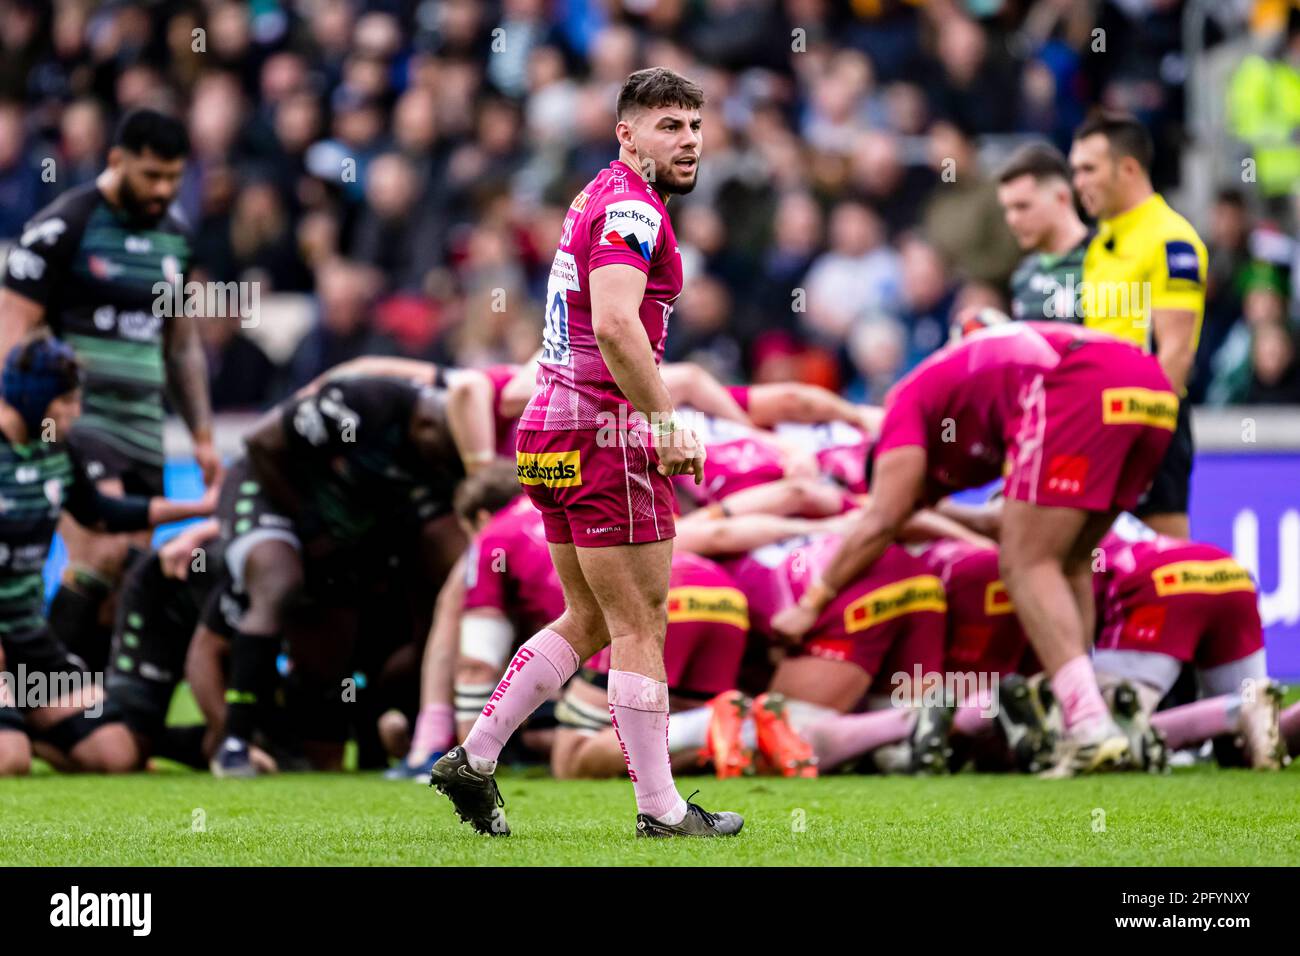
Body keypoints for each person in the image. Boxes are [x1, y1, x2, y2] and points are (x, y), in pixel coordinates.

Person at [429, 68, 744, 839]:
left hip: (546, 430)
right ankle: (663, 810)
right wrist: (664, 421)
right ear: (626, 134)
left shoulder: (596, 194)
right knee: (642, 621)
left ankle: (474, 758)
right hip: (603, 431)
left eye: (695, 126)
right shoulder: (634, 210)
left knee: (592, 619)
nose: (689, 141)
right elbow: (612, 323)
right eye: (669, 126)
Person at [770, 321, 1179, 777]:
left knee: (1026, 564)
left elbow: (884, 516)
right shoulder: (955, 423)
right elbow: (987, 521)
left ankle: (1087, 723)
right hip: (1152, 391)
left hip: (1078, 382)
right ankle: (1083, 717)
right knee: (1069, 564)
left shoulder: (903, 407)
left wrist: (813, 602)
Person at [0, 108, 219, 673]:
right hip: (81, 422)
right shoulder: (63, 227)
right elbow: (11, 333)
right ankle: (33, 693)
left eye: (174, 177)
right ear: (115, 160)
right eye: (151, 175)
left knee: (133, 579)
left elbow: (181, 345)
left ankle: (91, 718)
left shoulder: (174, 238)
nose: (164, 190)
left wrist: (200, 432)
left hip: (145, 425)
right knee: (101, 550)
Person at [209, 375, 466, 776]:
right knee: (279, 583)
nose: (442, 467)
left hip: (347, 523)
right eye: (440, 455)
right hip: (270, 491)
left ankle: (378, 742)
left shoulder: (442, 455)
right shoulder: (367, 401)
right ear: (425, 426)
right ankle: (233, 743)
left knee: (330, 656)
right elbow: (260, 440)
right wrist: (310, 526)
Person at [0, 334, 215, 774]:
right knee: (8, 762)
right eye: (68, 402)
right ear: (38, 398)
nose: (76, 414)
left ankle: (25, 721)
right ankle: (14, 735)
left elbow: (102, 514)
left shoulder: (56, 451)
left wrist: (201, 508)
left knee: (115, 751)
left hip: (27, 637)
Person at [1070, 109, 1208, 540]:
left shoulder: (1171, 239)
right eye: (1074, 171)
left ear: (1127, 168)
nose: (1079, 182)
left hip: (1148, 424)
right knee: (1077, 554)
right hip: (1097, 419)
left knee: (1163, 550)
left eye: (1089, 169)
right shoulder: (1099, 245)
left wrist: (1143, 440)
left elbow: (1177, 355)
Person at [993, 142, 1090, 323]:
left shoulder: (1104, 259)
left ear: (1062, 198)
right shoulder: (1023, 276)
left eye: (1022, 206)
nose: (1012, 220)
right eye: (1007, 209)